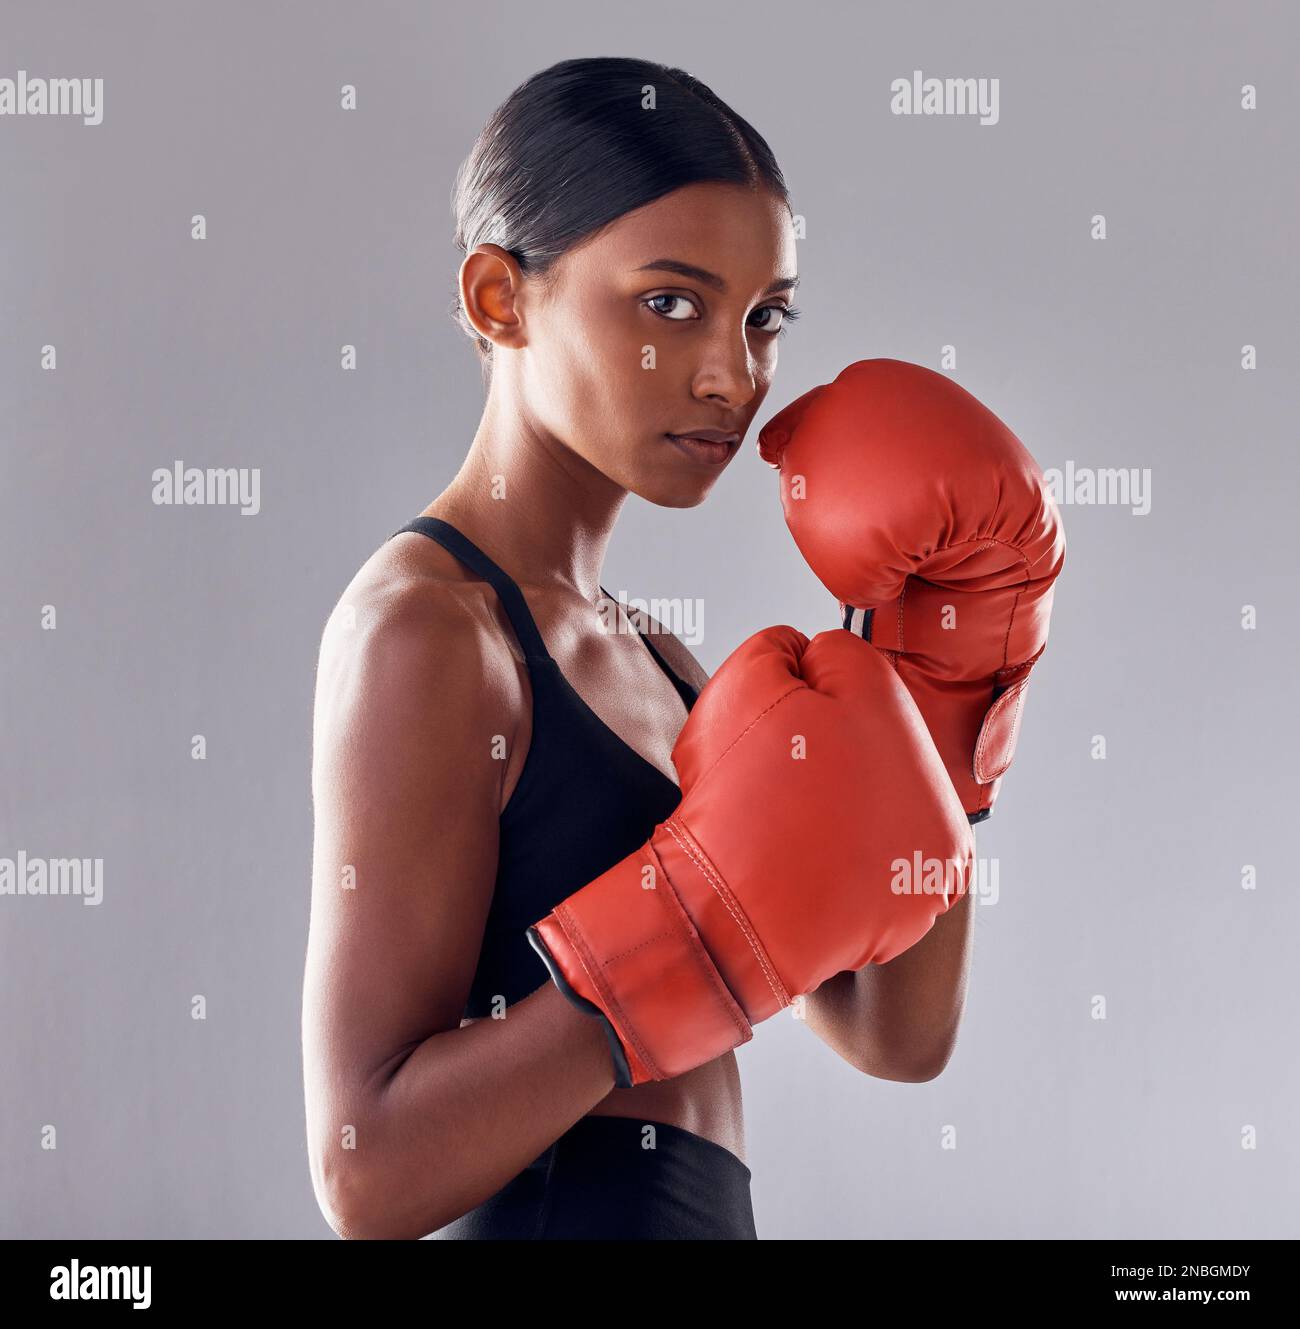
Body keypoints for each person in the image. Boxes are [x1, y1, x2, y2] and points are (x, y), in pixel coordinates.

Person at [301, 56, 975, 1241]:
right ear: (500, 300)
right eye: (671, 302)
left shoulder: (661, 660)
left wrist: (951, 671)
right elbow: (367, 1169)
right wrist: (691, 939)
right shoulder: (430, 630)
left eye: (764, 316)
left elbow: (895, 1034)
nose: (734, 375)